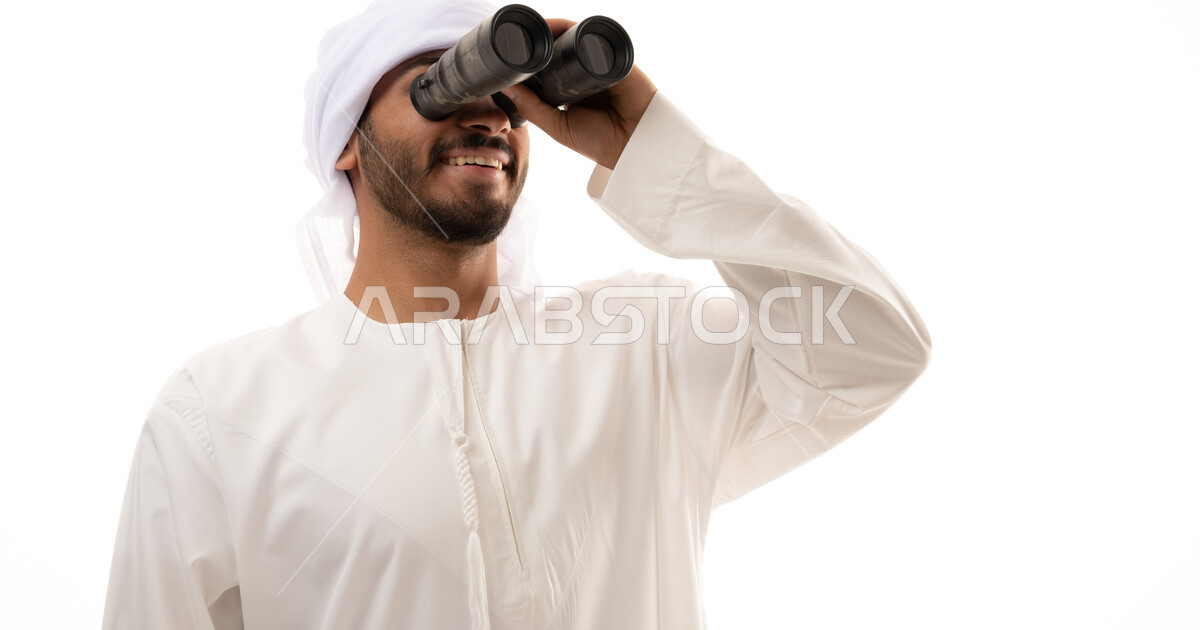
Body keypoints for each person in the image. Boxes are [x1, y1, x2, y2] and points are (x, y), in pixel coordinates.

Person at [101, 0, 932, 628]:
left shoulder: (644, 346)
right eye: (437, 81)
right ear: (346, 140)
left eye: (510, 94)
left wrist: (650, 146)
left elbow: (873, 347)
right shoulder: (221, 410)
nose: (490, 114)